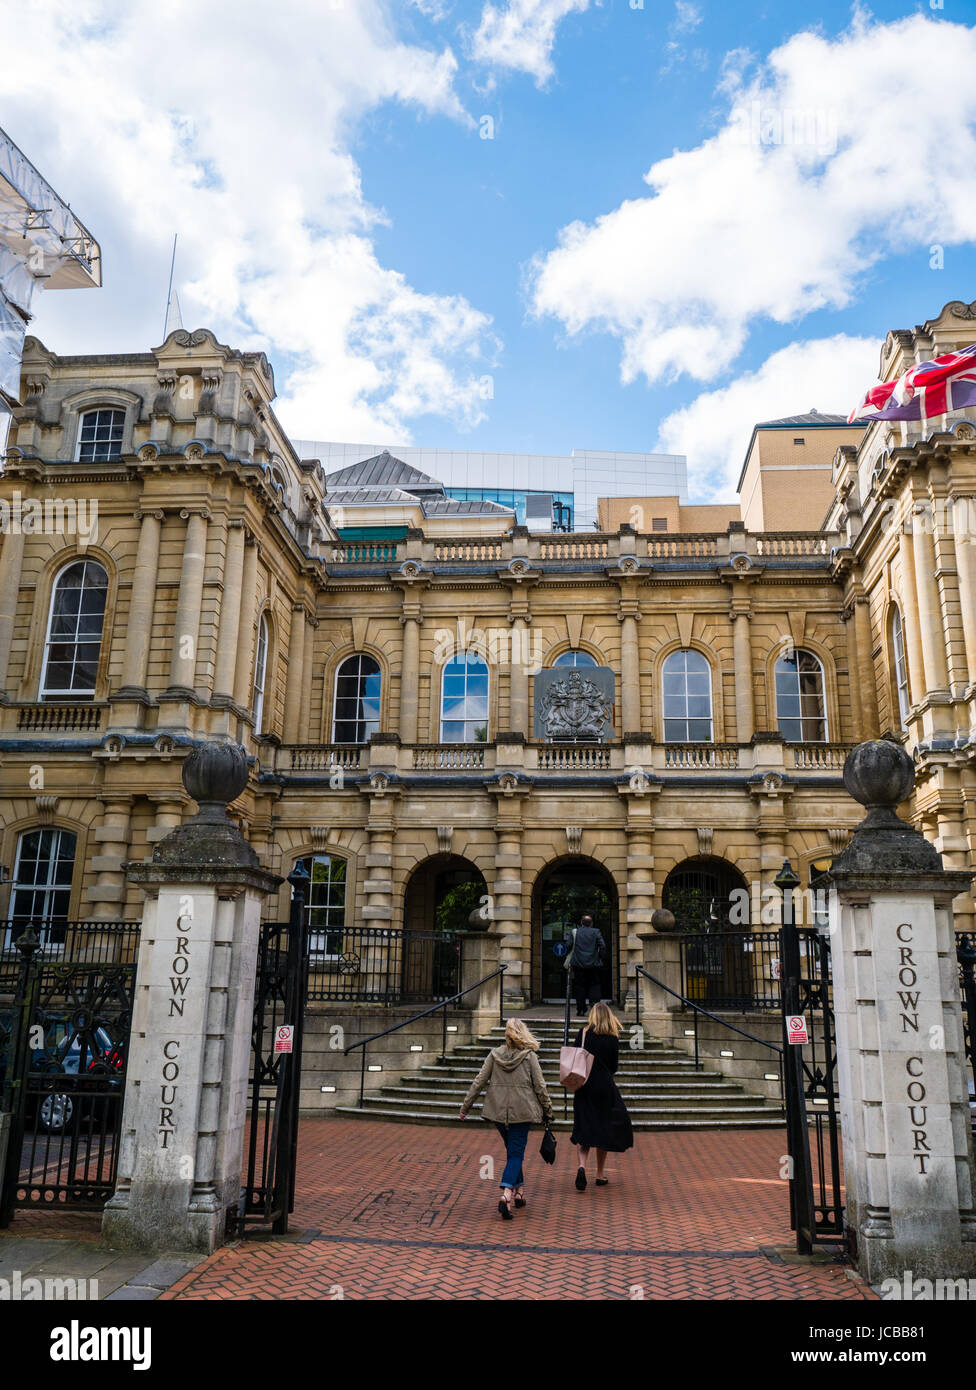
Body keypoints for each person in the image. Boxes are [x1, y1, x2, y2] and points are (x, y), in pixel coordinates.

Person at [459, 1017, 554, 1220]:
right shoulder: (529, 1057)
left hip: (498, 1113)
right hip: (522, 1112)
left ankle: (519, 1192)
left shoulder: (494, 1055)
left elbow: (479, 1082)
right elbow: (541, 1087)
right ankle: (506, 1194)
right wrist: (548, 1110)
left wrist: (465, 1106)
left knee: (513, 1152)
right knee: (516, 1154)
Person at [570, 1001, 633, 1190]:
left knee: (585, 1127)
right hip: (604, 1087)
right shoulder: (612, 1038)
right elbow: (614, 1066)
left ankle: (582, 1167)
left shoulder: (583, 1034)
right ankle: (599, 1173)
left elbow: (574, 1056)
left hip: (584, 1085)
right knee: (603, 1128)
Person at [569, 913, 606, 1017]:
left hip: (578, 964)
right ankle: (595, 1009)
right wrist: (599, 957)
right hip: (594, 964)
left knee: (579, 987)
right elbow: (602, 946)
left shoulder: (575, 932)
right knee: (594, 986)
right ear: (591, 924)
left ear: (581, 923)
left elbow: (568, 945)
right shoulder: (596, 931)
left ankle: (580, 1010)